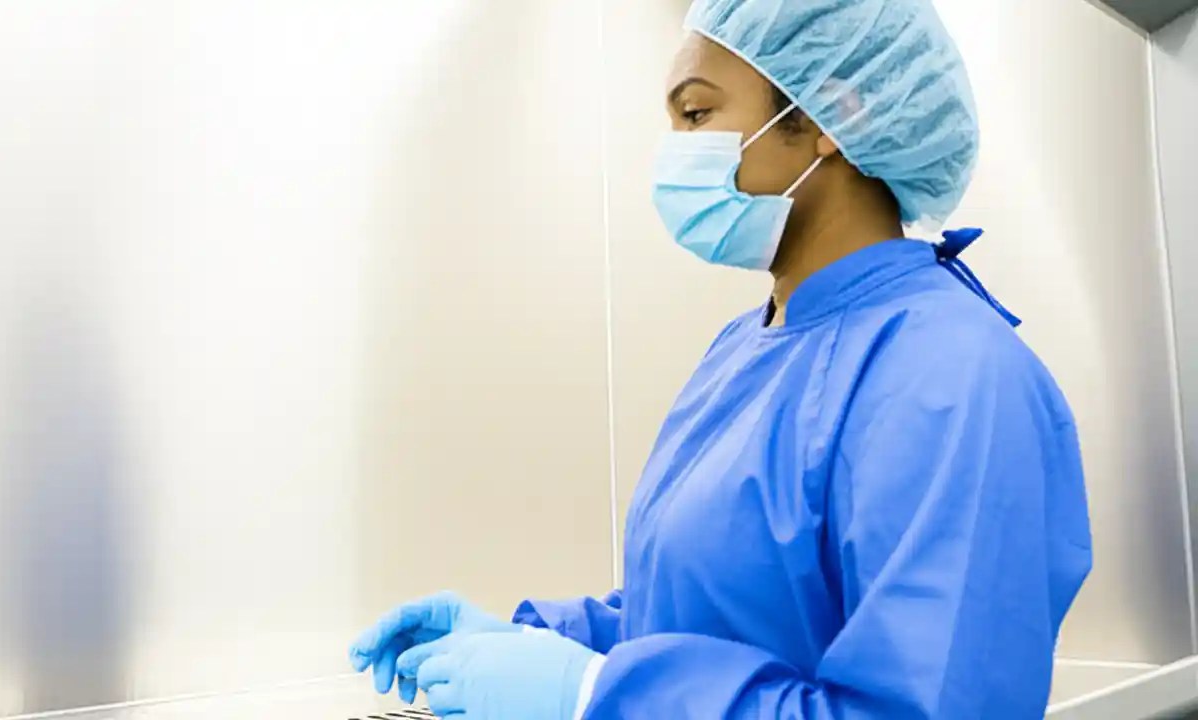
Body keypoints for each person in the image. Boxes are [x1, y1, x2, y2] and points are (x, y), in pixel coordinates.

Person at [350, 0, 1093, 717]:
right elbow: (698, 616)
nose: (674, 149)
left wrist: (595, 696)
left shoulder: (950, 375)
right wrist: (537, 642)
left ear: (836, 116)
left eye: (698, 114)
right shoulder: (747, 348)